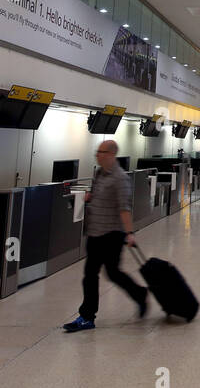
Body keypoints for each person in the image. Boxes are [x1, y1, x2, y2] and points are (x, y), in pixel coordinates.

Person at [63, 140, 149, 331]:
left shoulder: (120, 178)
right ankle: (87, 317)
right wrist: (89, 197)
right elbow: (97, 196)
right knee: (90, 275)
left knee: (113, 273)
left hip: (112, 235)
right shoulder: (99, 174)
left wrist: (129, 233)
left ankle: (140, 294)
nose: (97, 155)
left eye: (101, 152)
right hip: (94, 233)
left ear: (111, 154)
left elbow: (125, 208)